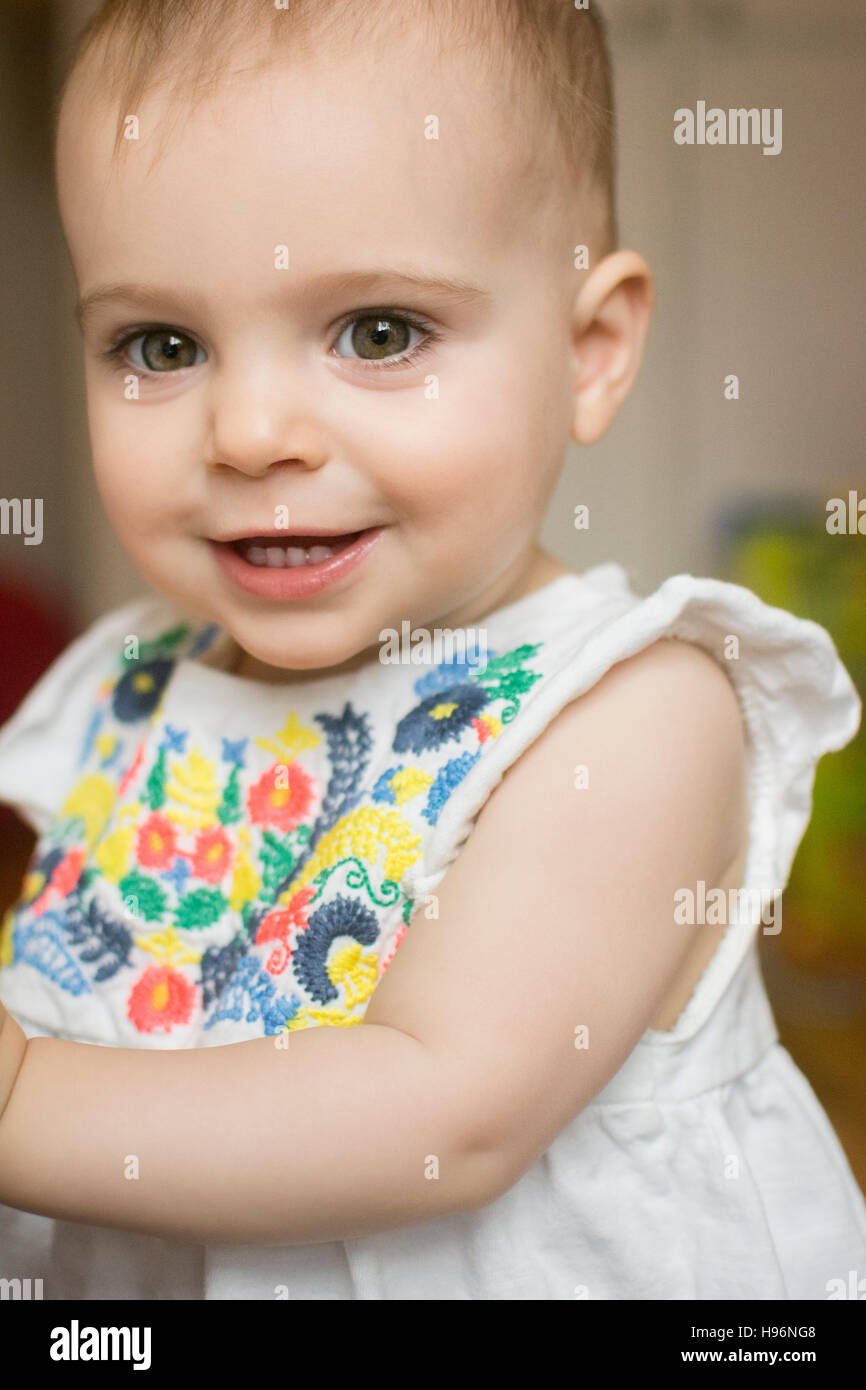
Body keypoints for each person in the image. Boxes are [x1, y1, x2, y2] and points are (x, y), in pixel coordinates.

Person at [0, 0, 863, 1300]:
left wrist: (19, 1096)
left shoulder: (630, 712)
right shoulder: (125, 688)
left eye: (378, 332)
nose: (249, 431)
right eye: (161, 345)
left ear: (589, 350)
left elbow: (442, 1114)